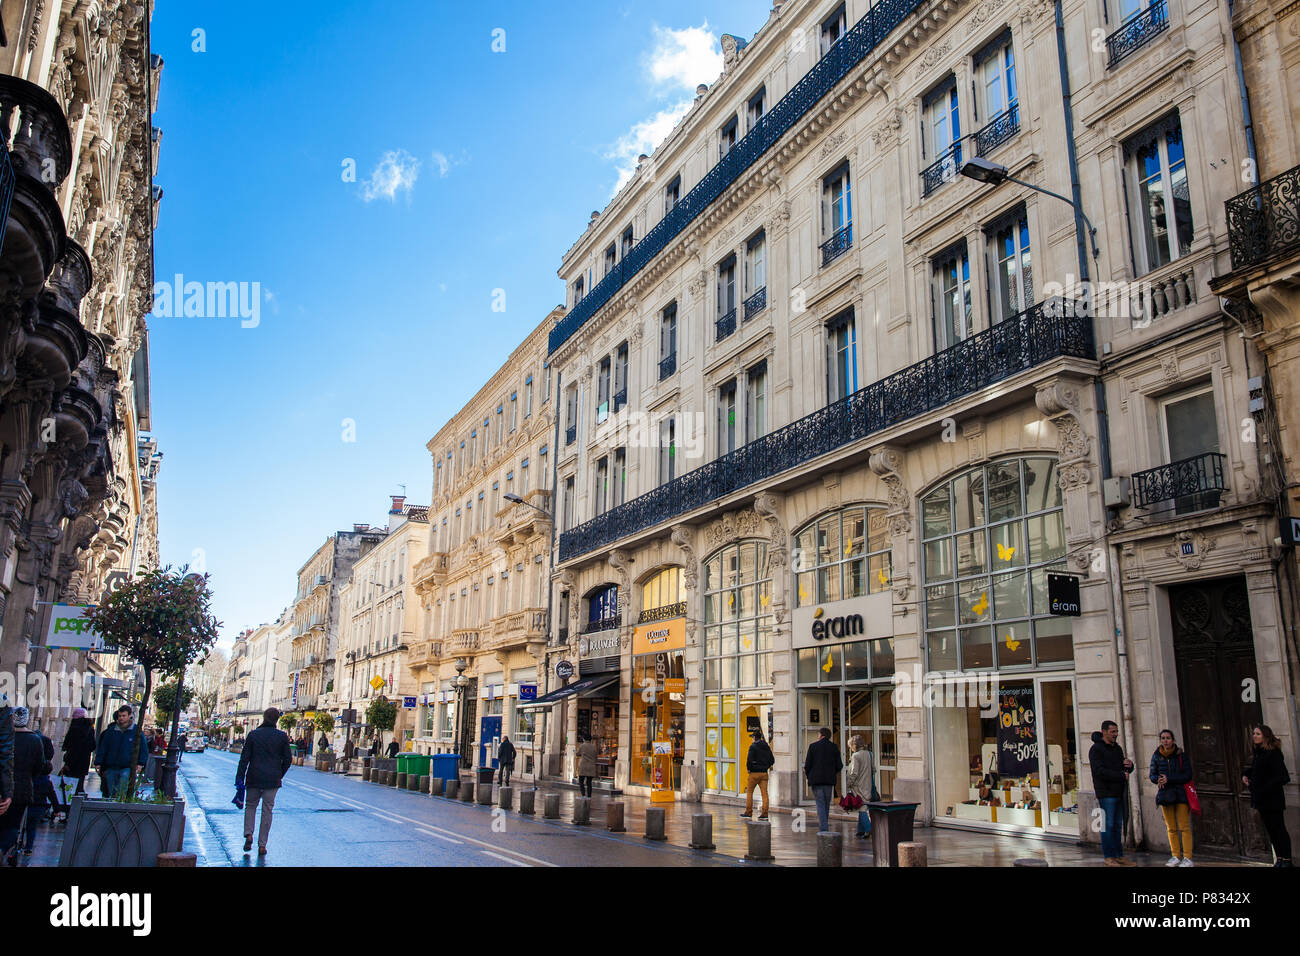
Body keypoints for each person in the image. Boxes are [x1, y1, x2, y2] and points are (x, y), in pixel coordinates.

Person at [235, 708, 293, 856]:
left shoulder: (253, 735)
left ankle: (248, 834)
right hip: (272, 780)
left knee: (250, 806)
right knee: (267, 810)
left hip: (254, 777)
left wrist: (240, 777)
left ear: (264, 718)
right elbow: (288, 759)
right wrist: (279, 773)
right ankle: (262, 845)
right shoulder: (282, 736)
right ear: (276, 720)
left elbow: (244, 759)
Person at [0, 708, 50, 863]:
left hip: (4, 786)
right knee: (13, 825)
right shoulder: (35, 740)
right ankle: (3, 849)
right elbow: (39, 766)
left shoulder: (6, 737)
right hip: (22, 789)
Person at [1243, 723, 1292, 867]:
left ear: (1265, 736)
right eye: (1254, 734)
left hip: (1273, 799)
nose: (1254, 736)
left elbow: (1282, 776)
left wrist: (1264, 787)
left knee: (1279, 829)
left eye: (1258, 734)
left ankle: (1287, 860)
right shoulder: (1259, 752)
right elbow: (1256, 770)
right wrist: (1245, 775)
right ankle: (1280, 858)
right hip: (1262, 799)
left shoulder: (1273, 753)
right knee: (1271, 831)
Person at [1089, 720, 1135, 866]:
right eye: (1112, 732)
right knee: (1107, 825)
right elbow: (1099, 771)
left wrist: (1129, 766)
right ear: (1104, 732)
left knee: (1117, 825)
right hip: (1106, 792)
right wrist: (1120, 776)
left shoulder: (1117, 748)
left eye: (1116, 731)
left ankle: (1119, 855)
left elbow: (1123, 768)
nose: (1115, 734)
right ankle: (1109, 856)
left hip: (1118, 791)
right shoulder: (1096, 749)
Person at [1148, 728, 1194, 867]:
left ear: (1173, 740)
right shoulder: (1156, 756)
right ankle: (1175, 855)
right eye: (1163, 738)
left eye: (1168, 738)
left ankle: (1187, 857)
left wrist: (1169, 779)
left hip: (1180, 794)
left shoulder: (1181, 755)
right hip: (1165, 795)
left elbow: (1187, 775)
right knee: (1171, 827)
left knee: (1184, 827)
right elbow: (1152, 775)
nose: (1165, 741)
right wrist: (1158, 780)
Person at [95, 705, 144, 800]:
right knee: (110, 791)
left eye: (123, 715)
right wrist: (98, 762)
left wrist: (140, 763)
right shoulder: (111, 731)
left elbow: (142, 748)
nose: (121, 718)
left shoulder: (136, 731)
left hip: (127, 767)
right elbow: (103, 747)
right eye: (120, 716)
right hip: (111, 766)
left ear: (129, 715)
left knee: (121, 790)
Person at [803, 727, 843, 833]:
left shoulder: (813, 746)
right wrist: (832, 773)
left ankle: (824, 828)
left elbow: (807, 765)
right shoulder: (834, 747)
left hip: (816, 780)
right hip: (829, 781)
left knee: (820, 803)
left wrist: (809, 776)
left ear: (821, 735)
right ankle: (824, 826)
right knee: (826, 804)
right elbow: (839, 765)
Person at [740, 729, 775, 820]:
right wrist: (766, 766)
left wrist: (749, 769)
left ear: (755, 738)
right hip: (764, 773)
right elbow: (772, 760)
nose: (752, 739)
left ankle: (748, 812)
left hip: (754, 774)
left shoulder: (753, 747)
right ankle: (764, 813)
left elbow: (749, 760)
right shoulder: (766, 747)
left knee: (749, 792)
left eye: (752, 737)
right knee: (764, 794)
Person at [61, 707, 96, 796]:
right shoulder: (90, 728)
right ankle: (78, 801)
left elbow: (67, 746)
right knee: (79, 783)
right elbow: (92, 746)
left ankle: (68, 803)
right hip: (83, 762)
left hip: (72, 761)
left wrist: (67, 762)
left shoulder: (74, 728)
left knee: (69, 784)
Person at [846, 734, 875, 839]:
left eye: (850, 747)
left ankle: (868, 829)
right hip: (868, 785)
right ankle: (860, 830)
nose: (850, 749)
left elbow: (854, 773)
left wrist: (848, 784)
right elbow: (874, 769)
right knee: (861, 806)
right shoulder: (869, 754)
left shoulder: (856, 756)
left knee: (862, 808)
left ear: (854, 745)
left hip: (858, 786)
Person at [575, 734, 598, 798]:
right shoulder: (594, 747)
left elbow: (577, 753)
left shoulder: (582, 746)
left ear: (584, 739)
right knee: (589, 783)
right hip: (591, 766)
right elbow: (596, 756)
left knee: (581, 781)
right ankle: (589, 796)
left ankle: (583, 795)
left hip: (583, 765)